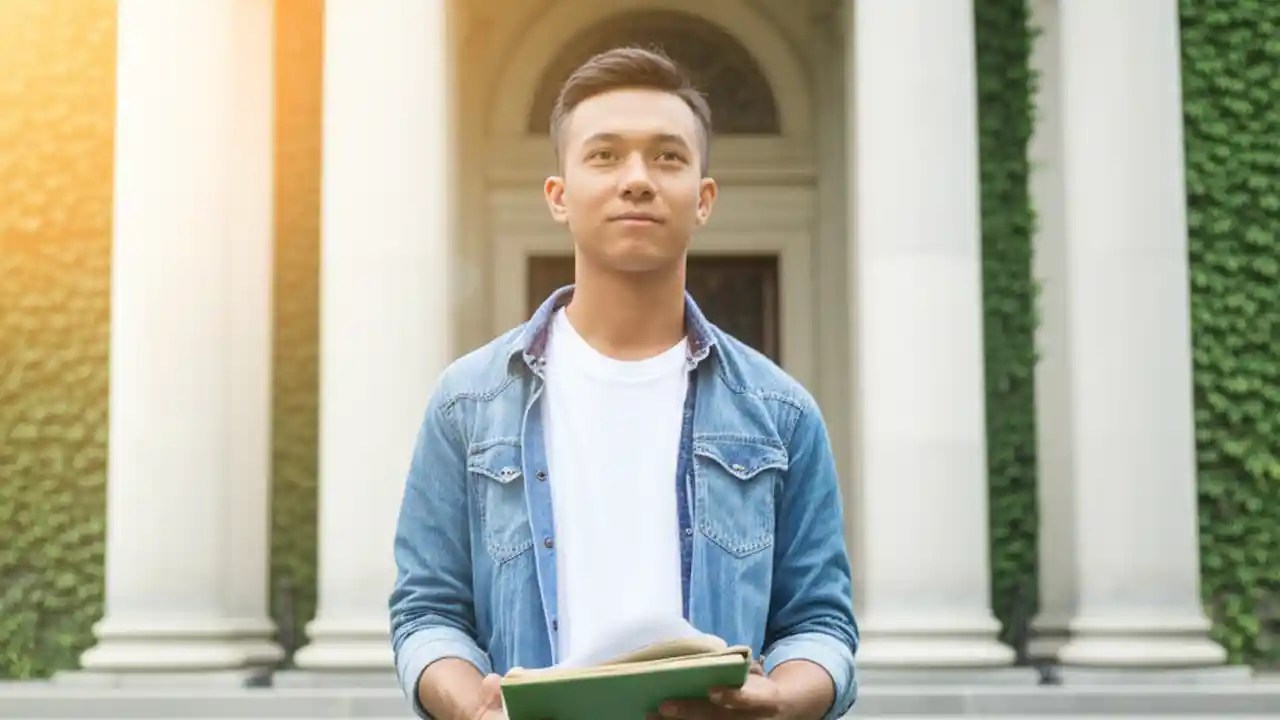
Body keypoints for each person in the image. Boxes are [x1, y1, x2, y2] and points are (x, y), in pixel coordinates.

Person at [389, 46, 858, 720]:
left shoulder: (780, 412)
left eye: (667, 157)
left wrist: (781, 701)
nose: (636, 179)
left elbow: (819, 625)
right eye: (604, 155)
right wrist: (470, 707)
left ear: (703, 199)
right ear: (559, 194)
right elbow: (427, 610)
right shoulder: (468, 402)